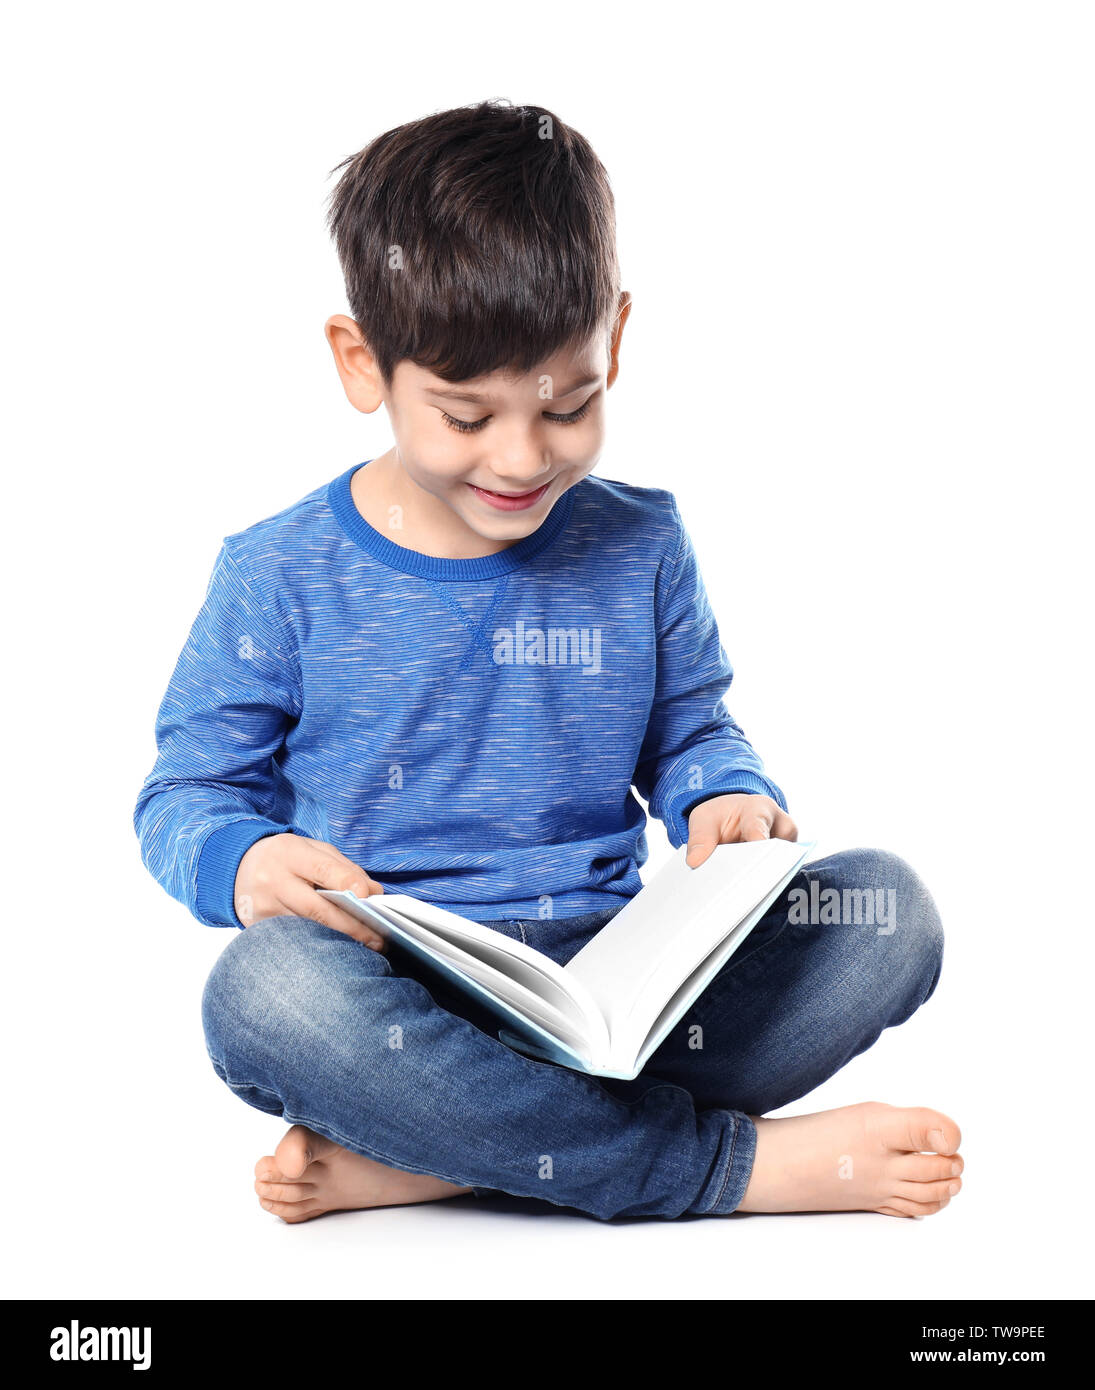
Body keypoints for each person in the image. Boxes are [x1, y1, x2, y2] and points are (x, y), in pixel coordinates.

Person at [134, 100, 961, 1224]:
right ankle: (728, 1168)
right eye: (465, 417)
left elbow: (693, 729)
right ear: (360, 362)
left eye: (569, 404)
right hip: (394, 1001)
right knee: (263, 995)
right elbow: (188, 791)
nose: (523, 458)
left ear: (615, 340)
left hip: (622, 993)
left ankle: (443, 1158)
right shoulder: (278, 574)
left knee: (884, 912)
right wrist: (243, 858)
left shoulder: (643, 543)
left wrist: (725, 794)